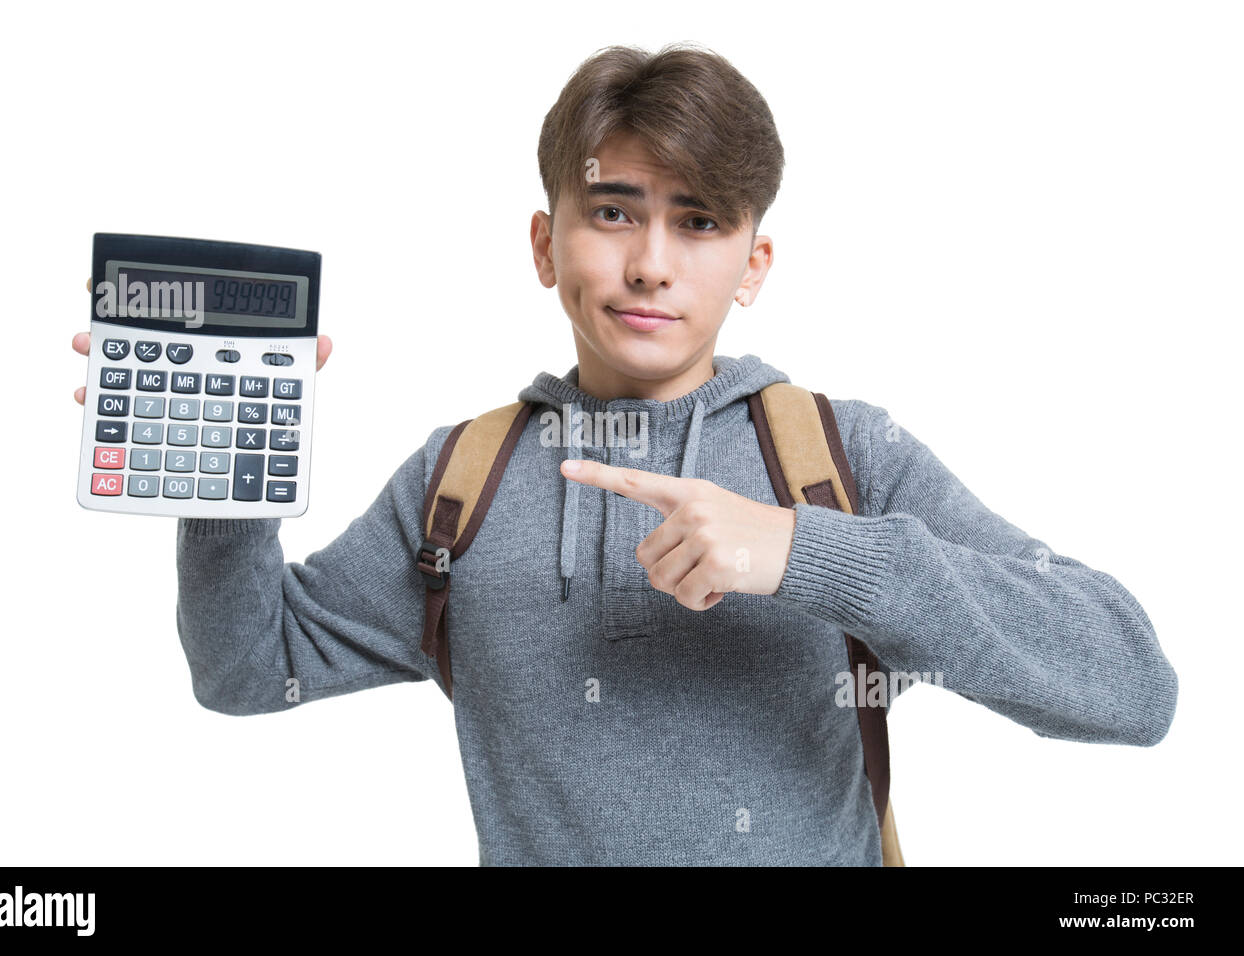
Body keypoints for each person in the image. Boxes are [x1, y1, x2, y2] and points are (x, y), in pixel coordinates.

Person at [71, 43, 1177, 866]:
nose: (652, 263)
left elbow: (1130, 683)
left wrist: (808, 550)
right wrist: (223, 472)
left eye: (698, 222)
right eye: (613, 211)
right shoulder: (459, 480)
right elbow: (246, 671)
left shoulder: (840, 457)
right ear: (546, 242)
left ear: (754, 262)